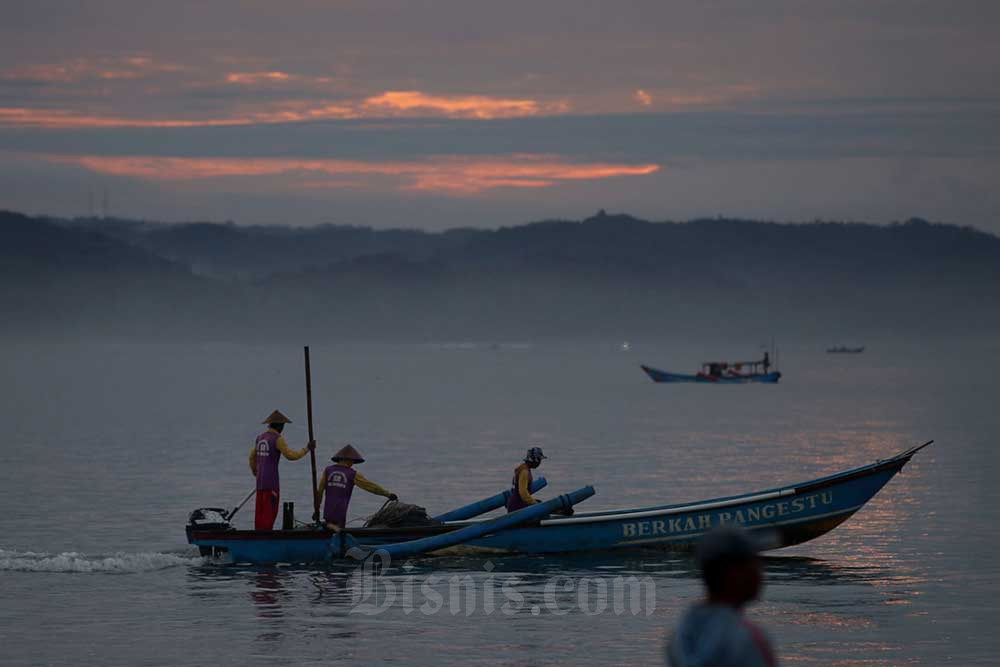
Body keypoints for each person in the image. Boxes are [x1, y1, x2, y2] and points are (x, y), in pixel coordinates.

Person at [666, 526, 778, 667]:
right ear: (734, 573)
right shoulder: (748, 640)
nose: (761, 572)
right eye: (754, 562)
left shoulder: (679, 636)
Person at [249, 410, 315, 531]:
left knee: (260, 514)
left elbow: (252, 457)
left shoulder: (260, 438)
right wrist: (307, 449)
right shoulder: (277, 439)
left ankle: (258, 536)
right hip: (271, 484)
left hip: (260, 484)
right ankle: (266, 540)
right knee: (269, 515)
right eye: (283, 426)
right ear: (279, 426)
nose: (283, 428)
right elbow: (291, 455)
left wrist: (256, 473)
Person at [314, 444, 397, 530]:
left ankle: (328, 527)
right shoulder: (352, 474)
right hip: (340, 513)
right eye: (352, 461)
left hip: (327, 512)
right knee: (338, 530)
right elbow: (370, 486)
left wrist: (317, 509)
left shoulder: (328, 470)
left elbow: (319, 491)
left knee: (330, 526)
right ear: (348, 460)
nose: (352, 463)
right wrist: (387, 494)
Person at [506, 446, 547, 512]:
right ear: (535, 460)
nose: (539, 463)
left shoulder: (521, 468)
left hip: (514, 504)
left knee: (539, 502)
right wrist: (535, 504)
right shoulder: (524, 472)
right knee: (540, 505)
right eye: (539, 460)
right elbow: (523, 494)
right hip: (517, 507)